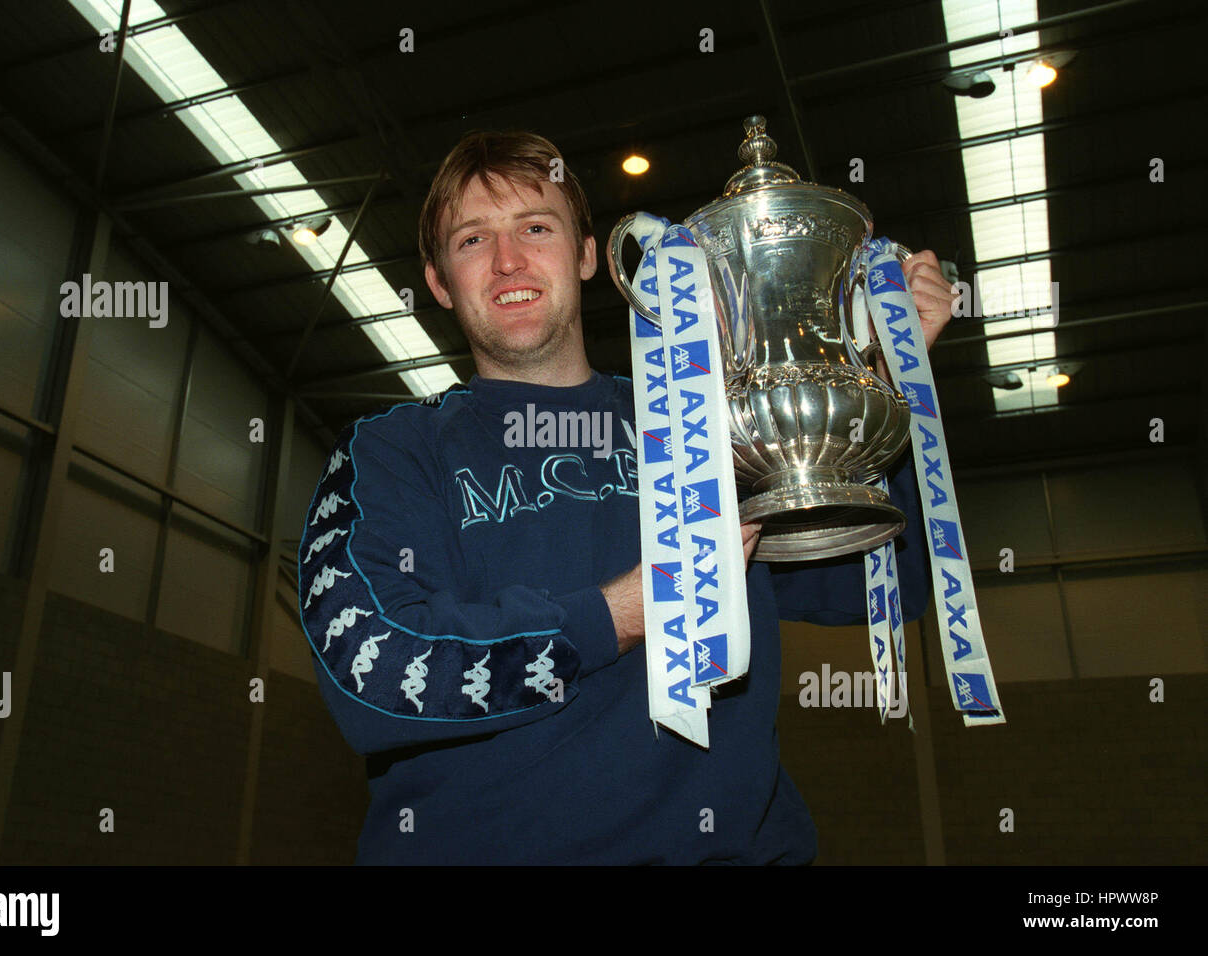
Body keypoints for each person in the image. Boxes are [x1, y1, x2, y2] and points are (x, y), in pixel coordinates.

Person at [298, 129, 955, 864]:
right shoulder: (389, 453)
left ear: (587, 255)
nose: (508, 261)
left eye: (536, 228)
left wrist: (881, 383)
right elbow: (373, 674)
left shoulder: (712, 423)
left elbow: (886, 583)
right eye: (472, 239)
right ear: (440, 281)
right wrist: (616, 617)